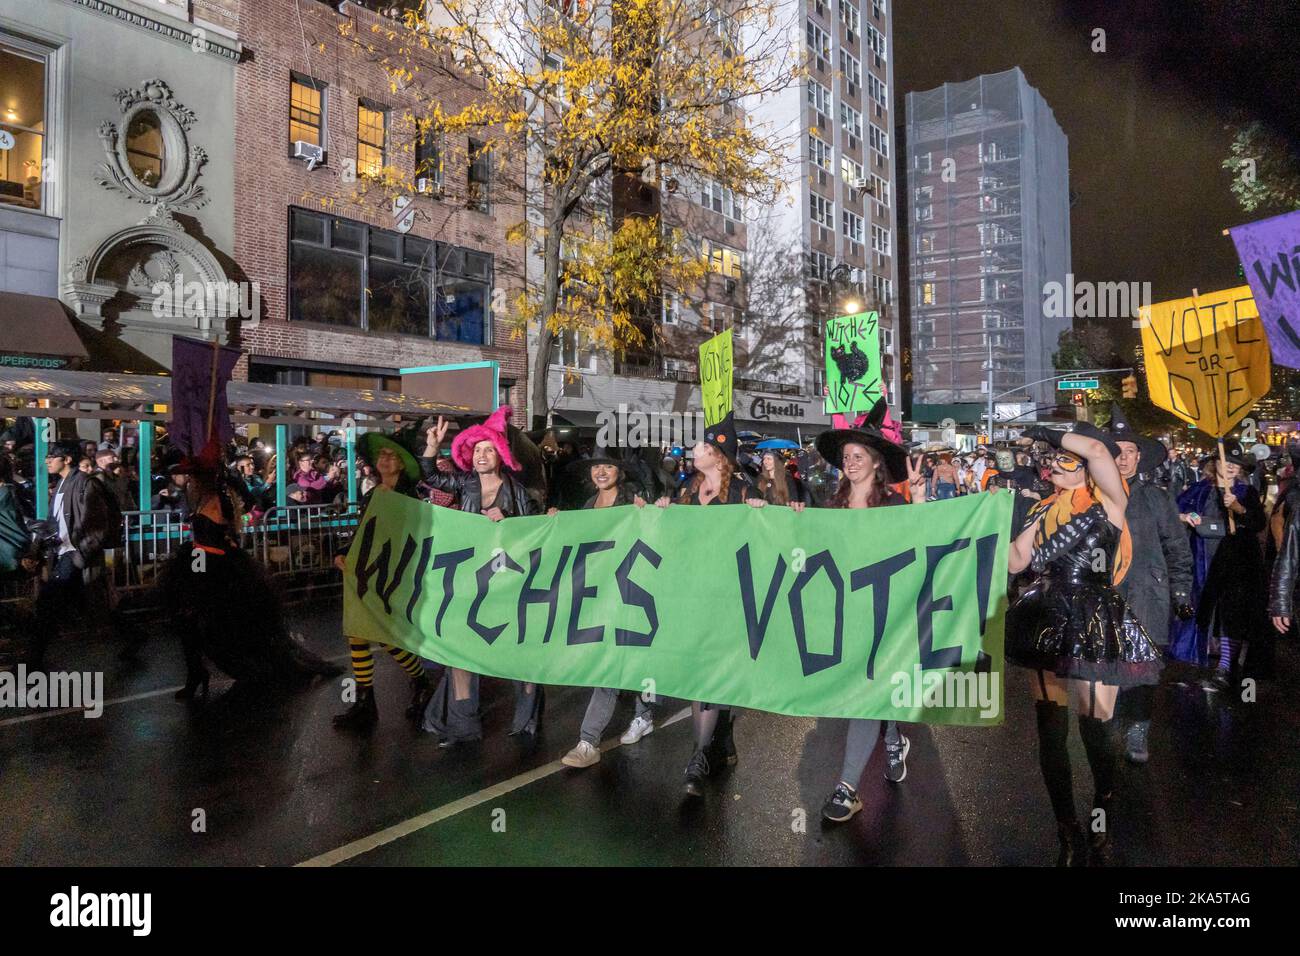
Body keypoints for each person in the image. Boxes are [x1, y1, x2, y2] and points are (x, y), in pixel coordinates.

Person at [1006, 423, 1161, 866]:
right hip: (1046, 619)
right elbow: (1017, 561)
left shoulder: (1110, 501)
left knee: (1097, 728)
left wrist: (1050, 432)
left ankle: (1101, 810)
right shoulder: (1041, 509)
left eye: (1062, 457)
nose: (1054, 462)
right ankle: (1065, 827)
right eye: (1052, 458)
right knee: (1051, 731)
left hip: (1095, 618)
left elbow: (1095, 447)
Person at [812, 421, 928, 822]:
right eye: (845, 457)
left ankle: (847, 789)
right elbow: (812, 547)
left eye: (857, 456)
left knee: (866, 691)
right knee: (872, 688)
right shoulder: (832, 505)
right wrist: (787, 515)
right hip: (846, 612)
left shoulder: (893, 505)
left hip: (886, 611)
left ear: (877, 463)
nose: (850, 463)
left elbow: (922, 540)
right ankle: (893, 737)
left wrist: (920, 500)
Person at [161, 453, 341, 700]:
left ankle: (227, 670)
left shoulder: (215, 500)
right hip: (199, 561)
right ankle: (196, 674)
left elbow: (226, 530)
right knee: (189, 621)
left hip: (214, 565)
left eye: (193, 476)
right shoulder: (201, 498)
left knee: (213, 623)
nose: (188, 480)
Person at [651, 412, 762, 797]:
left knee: (710, 676)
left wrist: (769, 514)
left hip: (726, 597)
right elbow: (669, 537)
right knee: (702, 672)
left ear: (719, 455)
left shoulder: (744, 492)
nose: (694, 450)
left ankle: (698, 755)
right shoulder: (686, 490)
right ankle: (718, 739)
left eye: (702, 445)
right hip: (690, 594)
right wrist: (662, 510)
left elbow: (767, 537)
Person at [418, 407, 544, 745]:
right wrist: (433, 446)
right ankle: (463, 723)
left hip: (509, 586)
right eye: (476, 450)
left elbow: (537, 535)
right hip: (471, 581)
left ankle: (528, 714)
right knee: (462, 649)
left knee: (519, 652)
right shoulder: (464, 483)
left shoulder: (519, 492)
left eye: (488, 449)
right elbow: (431, 476)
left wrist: (510, 522)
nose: (481, 455)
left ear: (500, 454)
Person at [556, 446, 657, 769]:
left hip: (630, 592)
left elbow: (654, 538)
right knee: (625, 659)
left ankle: (588, 741)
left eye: (608, 467)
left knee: (610, 663)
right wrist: (557, 523)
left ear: (620, 473)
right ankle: (644, 714)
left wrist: (649, 515)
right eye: (595, 466)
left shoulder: (633, 501)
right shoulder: (589, 505)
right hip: (599, 593)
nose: (600, 472)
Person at [1102, 409, 1193, 764]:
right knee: (1107, 664)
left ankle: (1137, 728)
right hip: (1104, 598)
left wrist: (1181, 592)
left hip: (1147, 596)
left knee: (1141, 667)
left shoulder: (1157, 498)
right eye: (1116, 450)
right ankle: (1106, 722)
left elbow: (1177, 548)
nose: (1122, 458)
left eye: (1129, 451)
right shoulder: (1090, 496)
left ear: (1139, 457)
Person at [332, 433, 434, 729]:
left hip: (394, 573)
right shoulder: (372, 496)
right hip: (366, 571)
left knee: (384, 633)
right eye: (382, 455)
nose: (386, 459)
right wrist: (344, 552)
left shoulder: (408, 497)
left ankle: (418, 681)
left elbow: (414, 535)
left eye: (392, 455)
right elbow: (363, 533)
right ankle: (366, 702)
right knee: (358, 632)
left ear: (401, 464)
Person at [1172, 441, 1268, 690]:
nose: (1231, 468)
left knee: (1230, 615)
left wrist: (1238, 507)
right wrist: (1185, 517)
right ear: (1214, 464)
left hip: (1235, 562)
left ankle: (1225, 667)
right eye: (1226, 462)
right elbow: (1171, 513)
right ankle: (1193, 664)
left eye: (1235, 464)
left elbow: (1258, 523)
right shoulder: (1199, 489)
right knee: (1200, 611)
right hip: (1202, 559)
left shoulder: (1246, 492)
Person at [32, 441, 112, 669]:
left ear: (66, 459)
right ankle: (131, 634)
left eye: (52, 457)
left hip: (74, 555)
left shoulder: (86, 485)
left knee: (47, 604)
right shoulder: (60, 486)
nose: (47, 461)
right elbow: (52, 523)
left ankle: (34, 660)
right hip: (63, 554)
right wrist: (37, 549)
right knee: (93, 607)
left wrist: (80, 556)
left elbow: (98, 527)